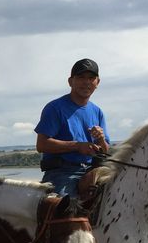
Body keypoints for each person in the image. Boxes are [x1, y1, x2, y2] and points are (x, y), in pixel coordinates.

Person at [35, 58, 110, 198]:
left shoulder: (97, 111)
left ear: (97, 82)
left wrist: (101, 139)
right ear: (70, 82)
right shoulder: (55, 108)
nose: (86, 82)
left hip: (93, 171)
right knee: (65, 207)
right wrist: (77, 146)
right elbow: (41, 145)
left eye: (91, 78)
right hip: (62, 173)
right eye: (81, 77)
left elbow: (105, 151)